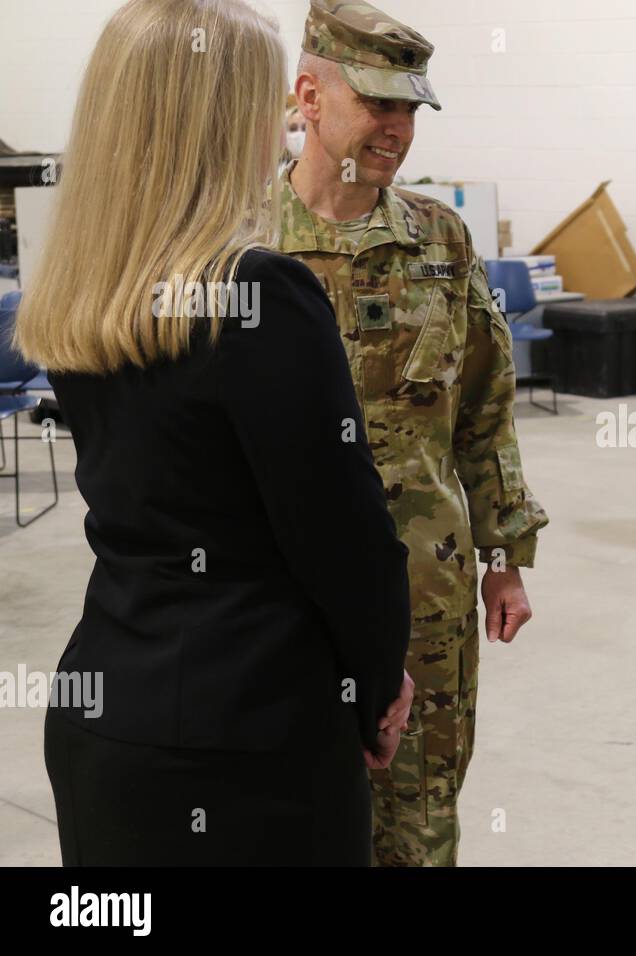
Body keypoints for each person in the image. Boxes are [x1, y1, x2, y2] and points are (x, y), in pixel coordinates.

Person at [16, 0, 414, 865]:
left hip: (106, 710)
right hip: (248, 735)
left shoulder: (81, 290)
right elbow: (343, 538)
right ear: (221, 119)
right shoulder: (259, 294)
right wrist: (380, 680)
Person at [281, 0, 549, 866]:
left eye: (410, 108)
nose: (397, 127)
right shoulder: (241, 248)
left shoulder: (441, 240)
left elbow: (484, 409)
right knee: (294, 803)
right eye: (377, 103)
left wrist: (504, 554)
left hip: (424, 587)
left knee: (423, 809)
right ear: (310, 97)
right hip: (283, 590)